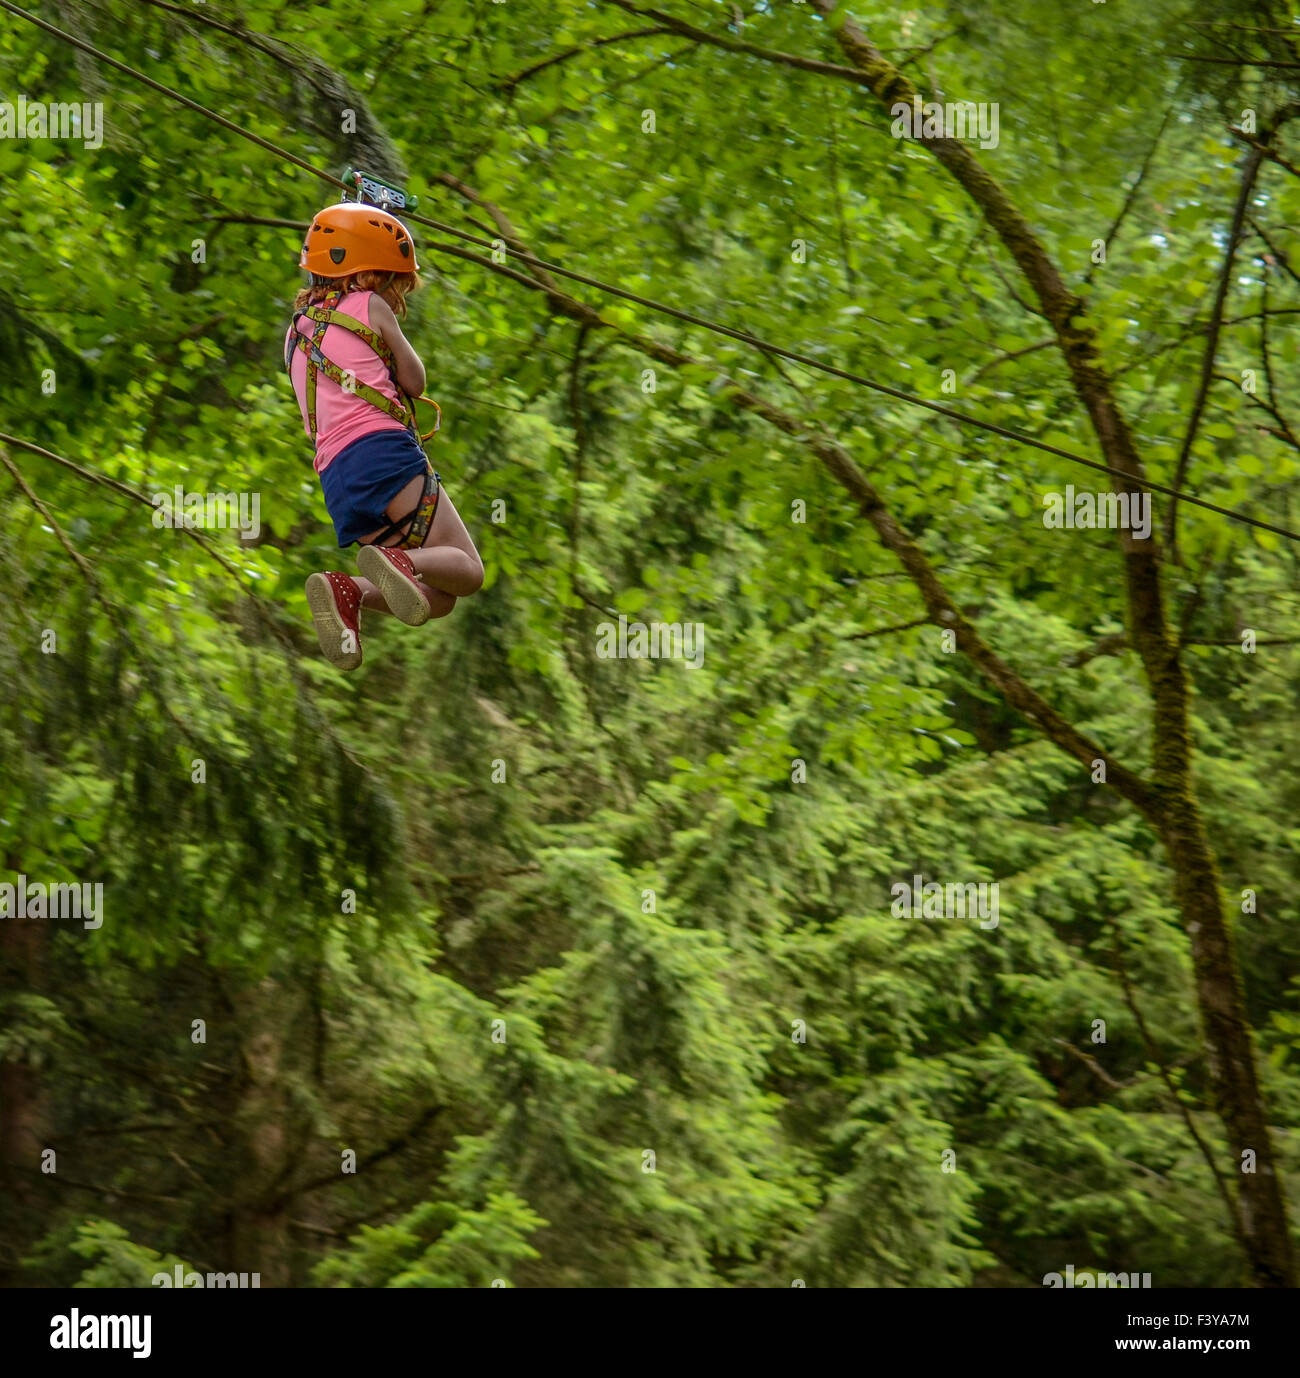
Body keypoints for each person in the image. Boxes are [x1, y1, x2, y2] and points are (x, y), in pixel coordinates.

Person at [285, 201, 483, 670]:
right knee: (468, 571)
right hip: (382, 453)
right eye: (394, 281)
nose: (397, 294)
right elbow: (415, 382)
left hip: (337, 478)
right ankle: (399, 564)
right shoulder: (368, 305)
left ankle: (348, 589)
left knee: (440, 597)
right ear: (370, 273)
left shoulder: (294, 335)